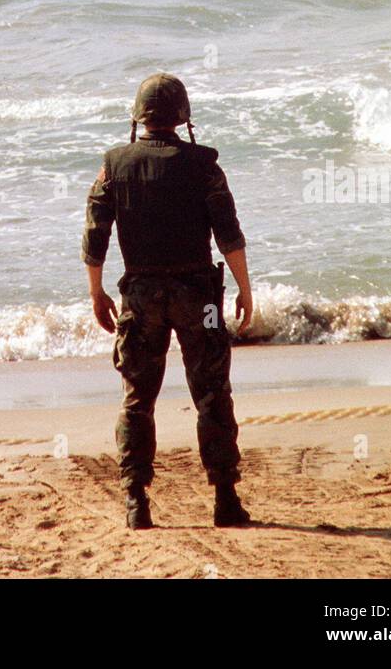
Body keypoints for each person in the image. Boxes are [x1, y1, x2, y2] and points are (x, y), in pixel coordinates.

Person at [81, 73, 253, 531]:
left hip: (140, 296)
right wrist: (245, 288)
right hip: (200, 297)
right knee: (213, 395)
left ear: (138, 119)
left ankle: (136, 502)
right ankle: (225, 500)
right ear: (183, 117)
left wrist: (95, 290)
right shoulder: (204, 165)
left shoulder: (113, 165)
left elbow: (95, 235)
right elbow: (228, 234)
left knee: (138, 400)